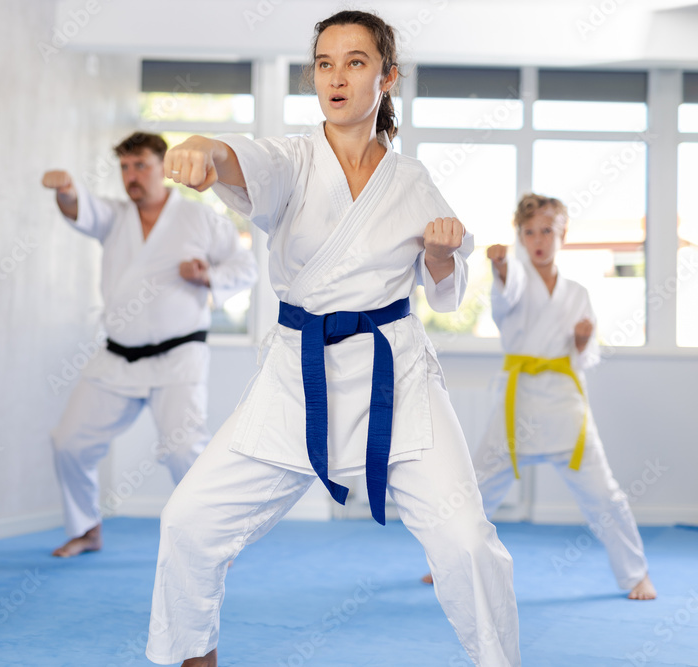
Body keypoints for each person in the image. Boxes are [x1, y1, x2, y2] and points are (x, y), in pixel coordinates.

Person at [146, 11, 520, 667]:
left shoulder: (411, 180)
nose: (336, 77)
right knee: (187, 520)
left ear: (387, 76)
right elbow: (238, 158)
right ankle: (194, 656)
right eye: (324, 63)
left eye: (355, 62)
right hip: (298, 378)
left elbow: (447, 293)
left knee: (466, 539)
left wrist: (439, 255)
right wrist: (203, 147)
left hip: (396, 379)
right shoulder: (292, 160)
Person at [420, 194, 656, 601]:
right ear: (520, 237)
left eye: (547, 230)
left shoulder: (577, 292)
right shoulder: (515, 278)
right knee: (475, 489)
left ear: (563, 234)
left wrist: (581, 342)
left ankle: (637, 574)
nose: (539, 240)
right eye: (529, 232)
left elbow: (586, 358)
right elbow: (506, 295)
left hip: (565, 406)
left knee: (605, 496)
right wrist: (500, 266)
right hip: (520, 405)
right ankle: (445, 562)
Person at [41, 132, 258, 558]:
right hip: (118, 357)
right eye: (125, 167)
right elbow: (78, 208)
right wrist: (66, 190)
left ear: (163, 167)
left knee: (183, 450)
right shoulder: (115, 216)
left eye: (140, 165)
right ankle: (86, 528)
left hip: (179, 357)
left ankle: (210, 541)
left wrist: (208, 276)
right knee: (69, 442)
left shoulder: (199, 218)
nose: (131, 176)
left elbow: (245, 266)